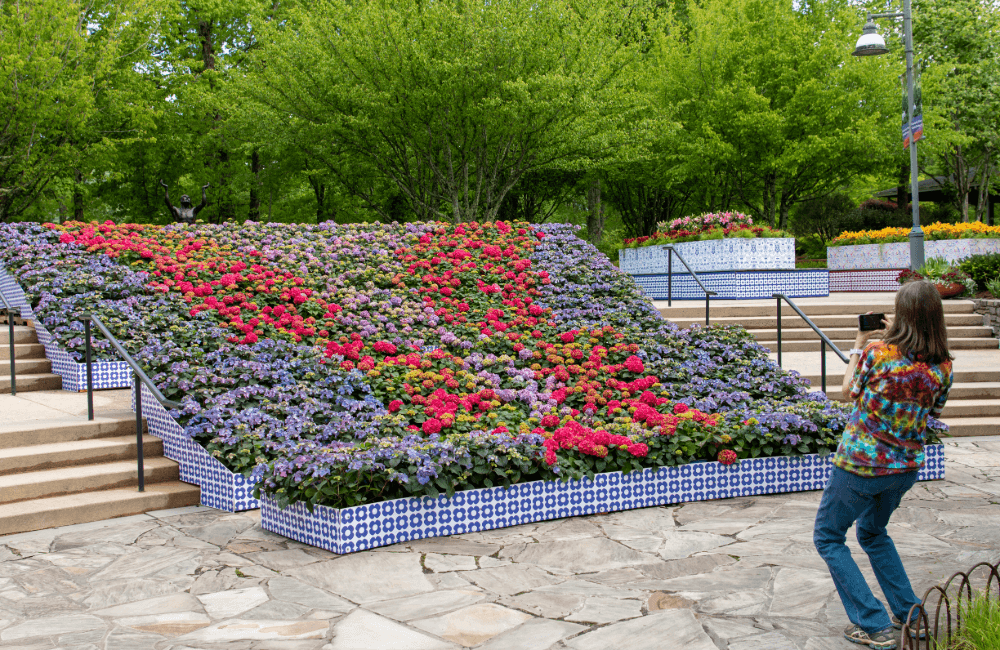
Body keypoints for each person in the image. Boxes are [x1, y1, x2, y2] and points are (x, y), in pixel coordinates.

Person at [813, 280, 953, 650]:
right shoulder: (943, 365)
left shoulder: (878, 352)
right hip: (904, 468)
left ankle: (873, 624)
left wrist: (860, 343)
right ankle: (912, 616)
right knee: (873, 533)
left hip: (861, 465)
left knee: (828, 537)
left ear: (901, 314)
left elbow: (847, 392)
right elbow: (935, 412)